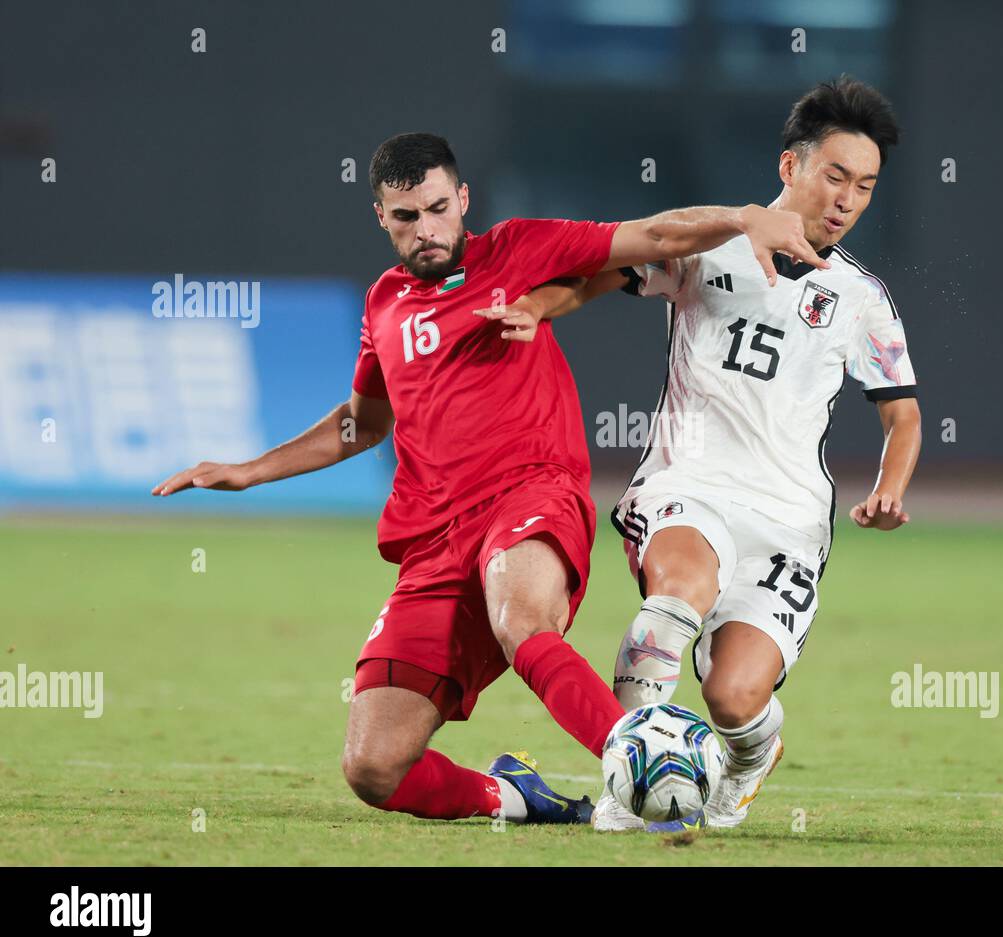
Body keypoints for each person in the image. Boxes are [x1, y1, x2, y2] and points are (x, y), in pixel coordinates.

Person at [152, 132, 828, 826]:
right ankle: (515, 797)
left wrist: (745, 217)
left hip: (531, 493)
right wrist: (248, 471)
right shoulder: (384, 305)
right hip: (434, 546)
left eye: (439, 208)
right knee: (374, 766)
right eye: (406, 216)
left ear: (463, 198)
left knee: (520, 617)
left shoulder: (519, 248)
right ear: (380, 217)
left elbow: (654, 234)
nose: (427, 229)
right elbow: (364, 423)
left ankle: (638, 758)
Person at [485, 77, 922, 831]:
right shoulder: (709, 246)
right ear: (791, 168)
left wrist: (890, 489)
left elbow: (904, 417)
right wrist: (533, 306)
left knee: (732, 698)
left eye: (866, 186)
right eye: (835, 176)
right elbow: (601, 277)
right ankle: (628, 781)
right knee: (671, 602)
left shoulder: (862, 299)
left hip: (787, 520)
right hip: (691, 483)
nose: (848, 199)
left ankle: (754, 757)